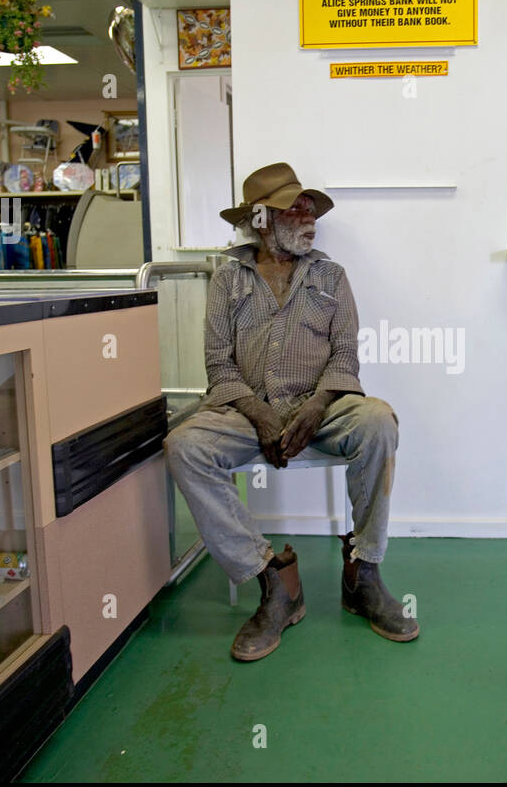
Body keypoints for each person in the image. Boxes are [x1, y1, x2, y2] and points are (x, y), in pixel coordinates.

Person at [164, 162, 418, 660]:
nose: (308, 217)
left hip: (322, 408)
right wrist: (259, 415)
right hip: (246, 411)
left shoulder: (331, 276)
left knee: (378, 421)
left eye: (310, 207)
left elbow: (346, 355)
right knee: (184, 446)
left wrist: (319, 403)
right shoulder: (228, 280)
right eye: (294, 207)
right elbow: (218, 363)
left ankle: (363, 575)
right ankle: (274, 583)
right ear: (261, 219)